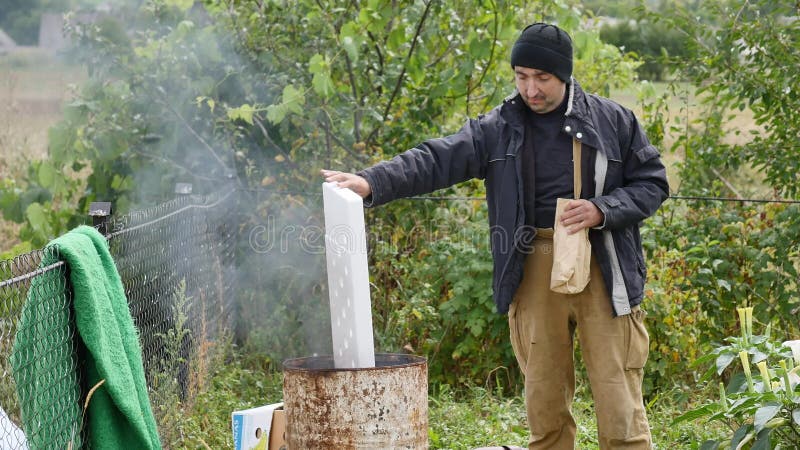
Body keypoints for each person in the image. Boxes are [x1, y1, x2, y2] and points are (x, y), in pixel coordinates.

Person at [322, 22, 668, 450]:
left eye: (542, 78)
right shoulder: (499, 126)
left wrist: (602, 209)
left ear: (565, 75)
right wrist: (371, 181)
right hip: (534, 261)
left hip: (605, 265)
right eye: (521, 76)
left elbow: (653, 183)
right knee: (544, 400)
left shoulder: (613, 120)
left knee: (619, 404)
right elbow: (437, 158)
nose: (531, 89)